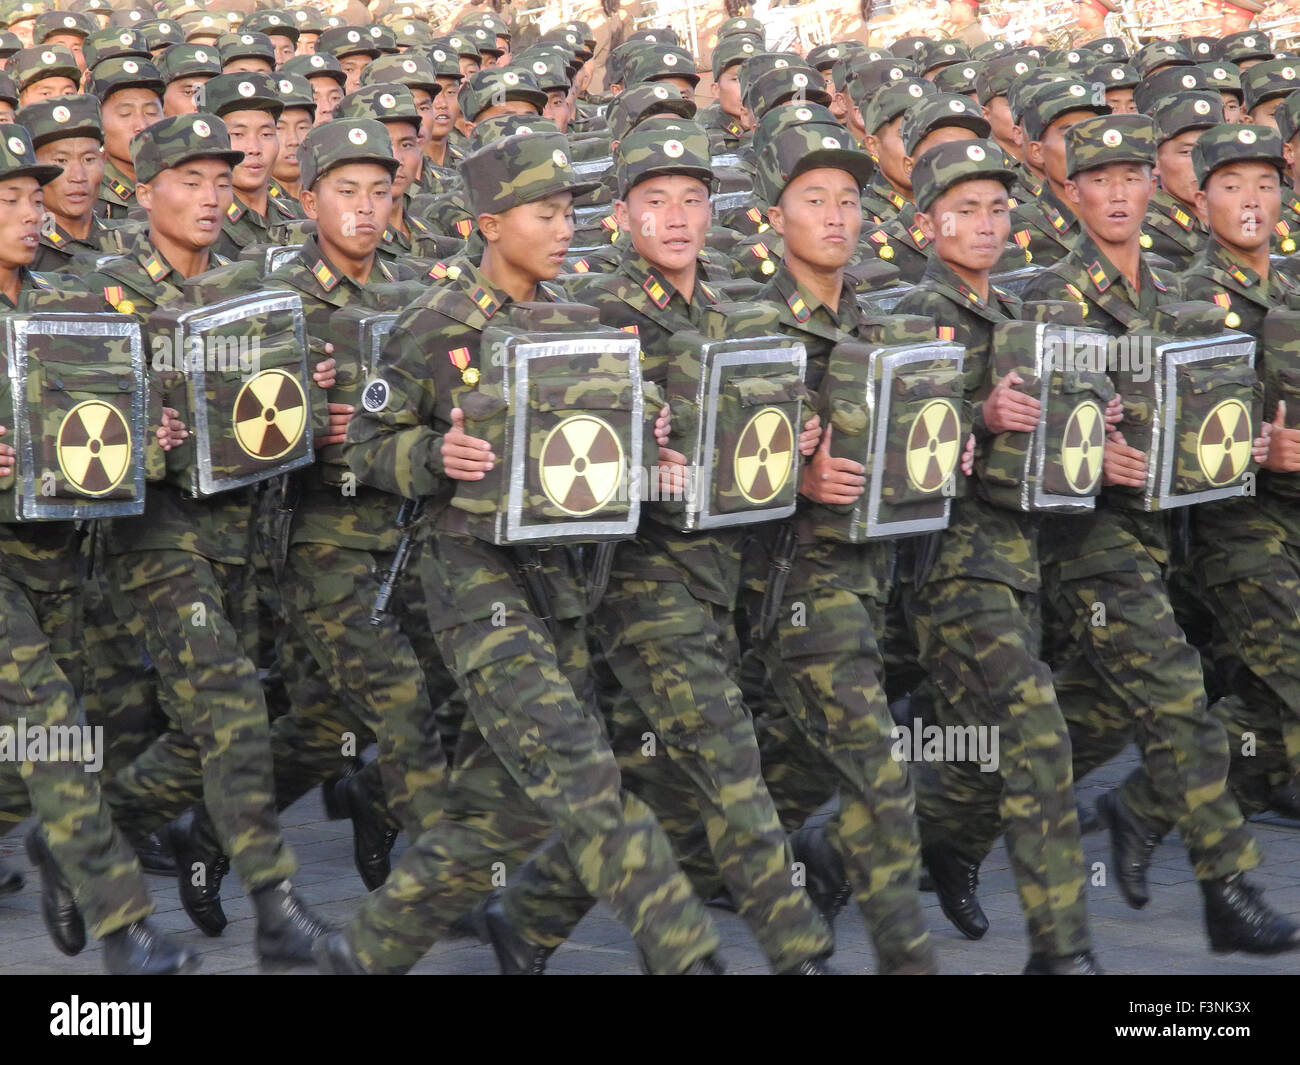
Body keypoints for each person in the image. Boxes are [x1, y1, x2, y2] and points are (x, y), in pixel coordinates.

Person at [318, 129, 725, 975]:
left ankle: (360, 955)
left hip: (568, 582)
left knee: (500, 813)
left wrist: (649, 442)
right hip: (475, 582)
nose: (566, 227)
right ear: (491, 223)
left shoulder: (579, 319)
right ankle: (689, 955)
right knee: (581, 774)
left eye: (571, 212)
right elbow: (361, 448)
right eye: (547, 213)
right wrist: (437, 457)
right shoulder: (436, 322)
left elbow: (612, 436)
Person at [482, 120, 839, 976]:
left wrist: (800, 431)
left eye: (692, 200)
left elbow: (767, 425)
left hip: (722, 568)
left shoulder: (739, 309)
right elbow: (560, 438)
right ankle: (798, 951)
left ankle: (527, 914)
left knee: (665, 773)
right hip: (638, 574)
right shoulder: (593, 314)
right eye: (655, 201)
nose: (676, 217)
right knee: (725, 751)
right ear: (621, 216)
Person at [1021, 113, 1300, 956]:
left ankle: (915, 819)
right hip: (1095, 534)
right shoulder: (1054, 295)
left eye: (1130, 176)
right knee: (1178, 693)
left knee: (1094, 713)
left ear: (1153, 186)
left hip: (1169, 529)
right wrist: (1091, 448)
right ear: (1070, 192)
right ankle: (1227, 885)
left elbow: (1210, 412)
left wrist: (1255, 442)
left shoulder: (1170, 297)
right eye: (1097, 178)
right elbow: (1040, 426)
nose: (1116, 192)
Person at [81, 113, 334, 969]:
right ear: (145, 189)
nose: (211, 196)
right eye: (190, 180)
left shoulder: (244, 289)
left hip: (239, 529)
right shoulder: (106, 289)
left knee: (213, 728)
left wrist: (303, 380)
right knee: (229, 700)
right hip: (151, 533)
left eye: (221, 182)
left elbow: (268, 414)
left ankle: (86, 834)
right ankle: (277, 902)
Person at [0, 123, 196, 976]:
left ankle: (56, 838)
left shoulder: (69, 297)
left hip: (68, 554)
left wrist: (156, 434)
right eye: (6, 199)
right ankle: (126, 932)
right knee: (52, 731)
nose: (28, 212)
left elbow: (110, 416)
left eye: (31, 197)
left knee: (117, 713)